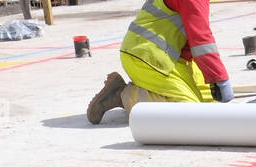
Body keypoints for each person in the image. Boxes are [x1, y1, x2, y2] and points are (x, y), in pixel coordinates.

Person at [86, 0, 234, 125]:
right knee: (188, 113)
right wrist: (219, 77)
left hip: (165, 56)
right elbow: (201, 40)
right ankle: (123, 94)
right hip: (148, 56)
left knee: (210, 102)